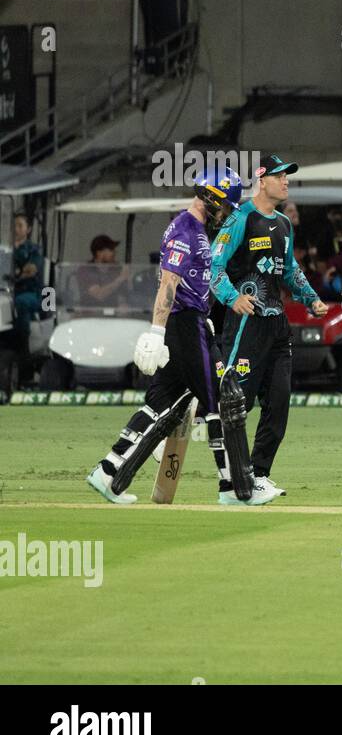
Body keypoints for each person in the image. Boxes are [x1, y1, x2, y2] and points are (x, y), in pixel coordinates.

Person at [86, 169, 277, 507]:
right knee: (222, 400)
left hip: (193, 323)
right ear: (212, 198)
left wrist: (203, 319)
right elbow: (168, 284)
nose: (228, 214)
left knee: (158, 403)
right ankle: (234, 487)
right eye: (226, 207)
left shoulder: (198, 231)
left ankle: (108, 471)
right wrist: (157, 331)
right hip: (183, 326)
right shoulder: (184, 230)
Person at [211, 153, 327, 498]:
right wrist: (232, 298)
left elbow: (289, 270)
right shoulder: (239, 219)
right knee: (235, 404)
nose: (286, 181)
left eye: (287, 176)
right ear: (262, 180)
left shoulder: (284, 224)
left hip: (277, 325)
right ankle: (230, 483)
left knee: (278, 404)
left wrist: (312, 299)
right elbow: (214, 267)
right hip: (246, 325)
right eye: (280, 176)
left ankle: (257, 475)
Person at [10, 212, 43, 363]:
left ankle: (23, 348)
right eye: (14, 225)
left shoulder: (33, 249)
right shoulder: (5, 248)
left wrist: (16, 276)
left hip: (30, 291)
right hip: (7, 291)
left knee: (21, 302)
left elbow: (31, 270)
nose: (16, 229)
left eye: (20, 225)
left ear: (28, 229)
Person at [76, 235, 131, 307]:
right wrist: (120, 279)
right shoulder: (85, 269)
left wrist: (123, 304)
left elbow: (123, 294)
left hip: (113, 313)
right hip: (90, 313)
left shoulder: (116, 269)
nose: (114, 253)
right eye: (111, 249)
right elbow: (99, 294)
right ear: (99, 253)